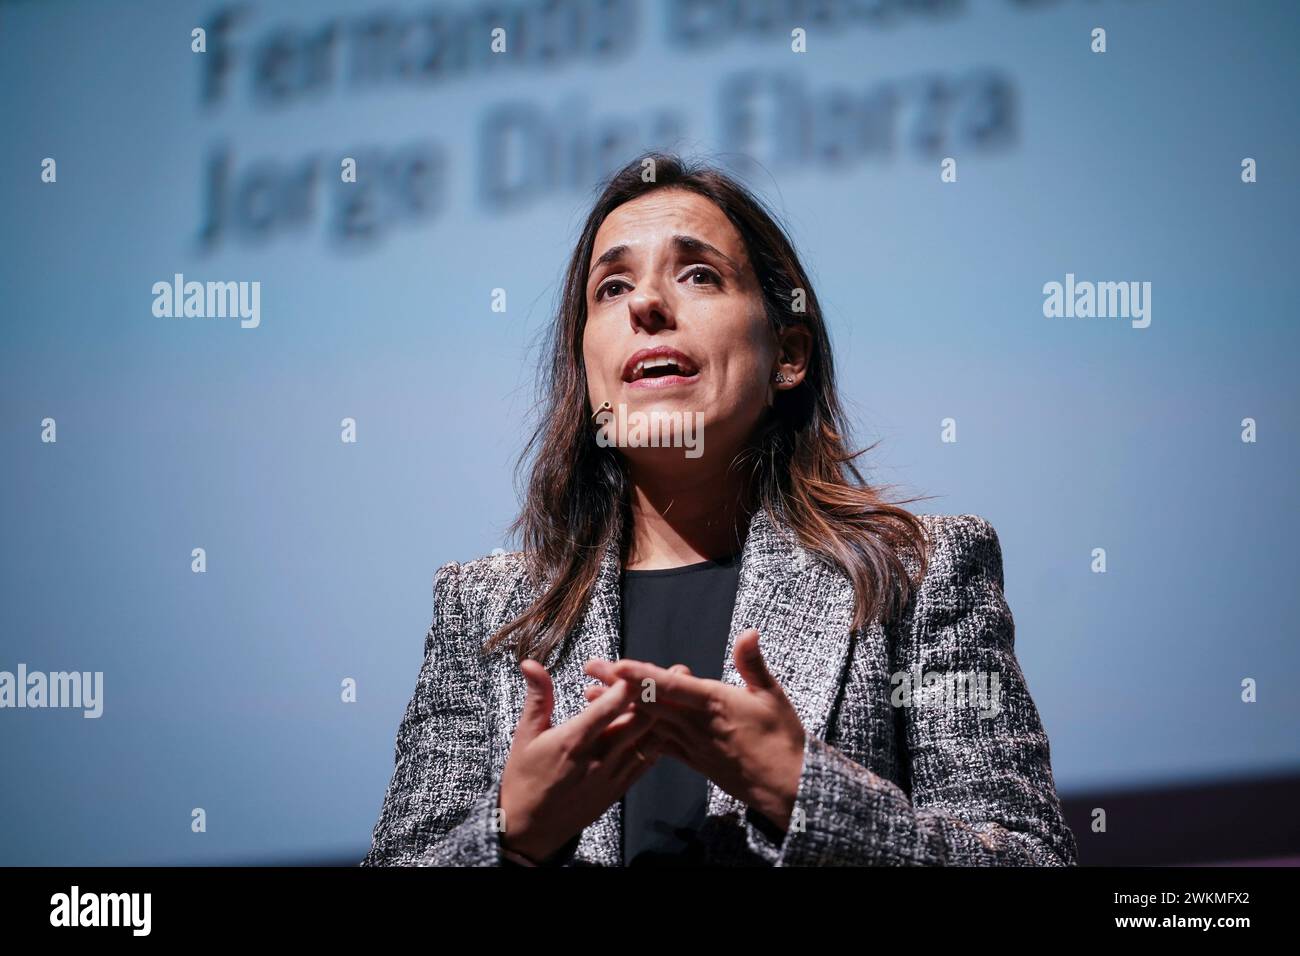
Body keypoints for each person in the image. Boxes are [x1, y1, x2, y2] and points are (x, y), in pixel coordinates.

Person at [360, 152, 1078, 867]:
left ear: (787, 355)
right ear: (586, 371)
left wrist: (805, 793)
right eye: (610, 287)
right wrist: (514, 839)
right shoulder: (483, 610)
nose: (646, 305)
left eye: (699, 274)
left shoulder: (917, 576)